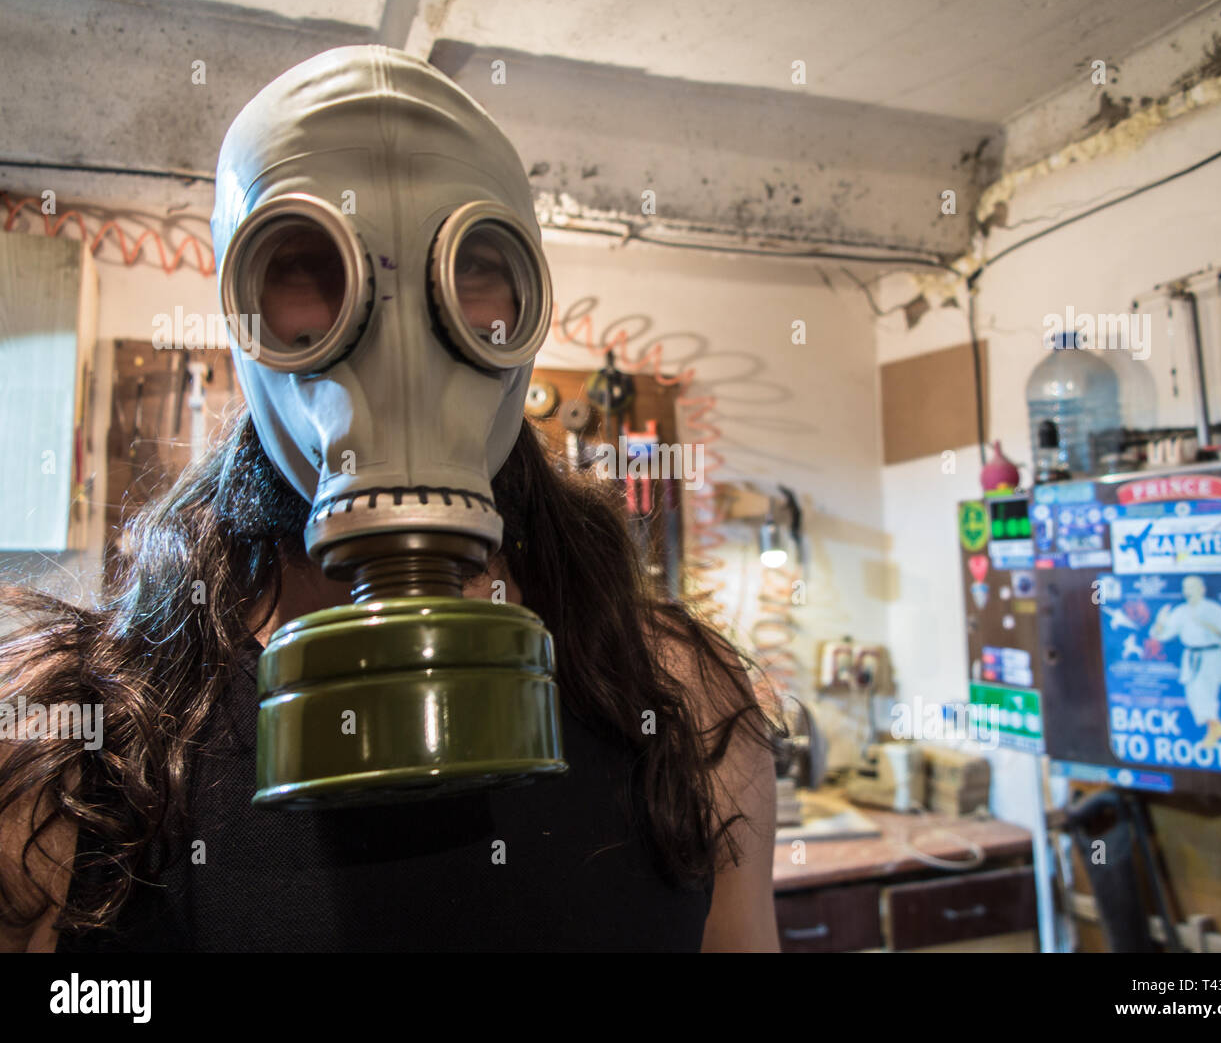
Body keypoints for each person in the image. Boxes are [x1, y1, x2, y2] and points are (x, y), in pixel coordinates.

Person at [0, 46, 782, 953]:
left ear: (521, 310)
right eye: (307, 263)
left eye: (465, 268)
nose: (398, 354)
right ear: (244, 315)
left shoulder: (686, 706)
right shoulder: (67, 760)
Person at [1148, 574, 1221, 748]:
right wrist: (1160, 623)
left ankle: (1215, 730)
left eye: (1192, 587)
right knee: (1193, 694)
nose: (1188, 591)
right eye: (1185, 588)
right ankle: (1216, 727)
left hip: (1211, 656)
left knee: (1207, 693)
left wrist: (1210, 626)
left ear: (1202, 590)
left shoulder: (1214, 609)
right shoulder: (1181, 611)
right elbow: (1163, 634)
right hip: (1191, 657)